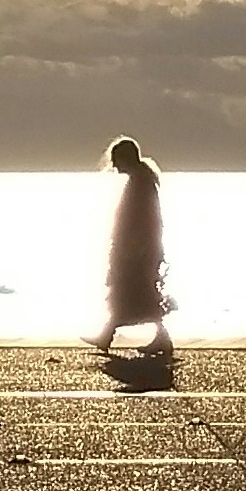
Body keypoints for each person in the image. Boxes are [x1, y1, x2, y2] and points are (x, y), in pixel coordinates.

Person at [99, 134, 172, 369]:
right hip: (140, 247)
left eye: (117, 161)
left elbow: (142, 219)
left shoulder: (140, 183)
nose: (115, 166)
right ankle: (159, 338)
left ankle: (107, 335)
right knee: (138, 294)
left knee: (130, 293)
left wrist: (135, 247)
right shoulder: (141, 180)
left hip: (138, 248)